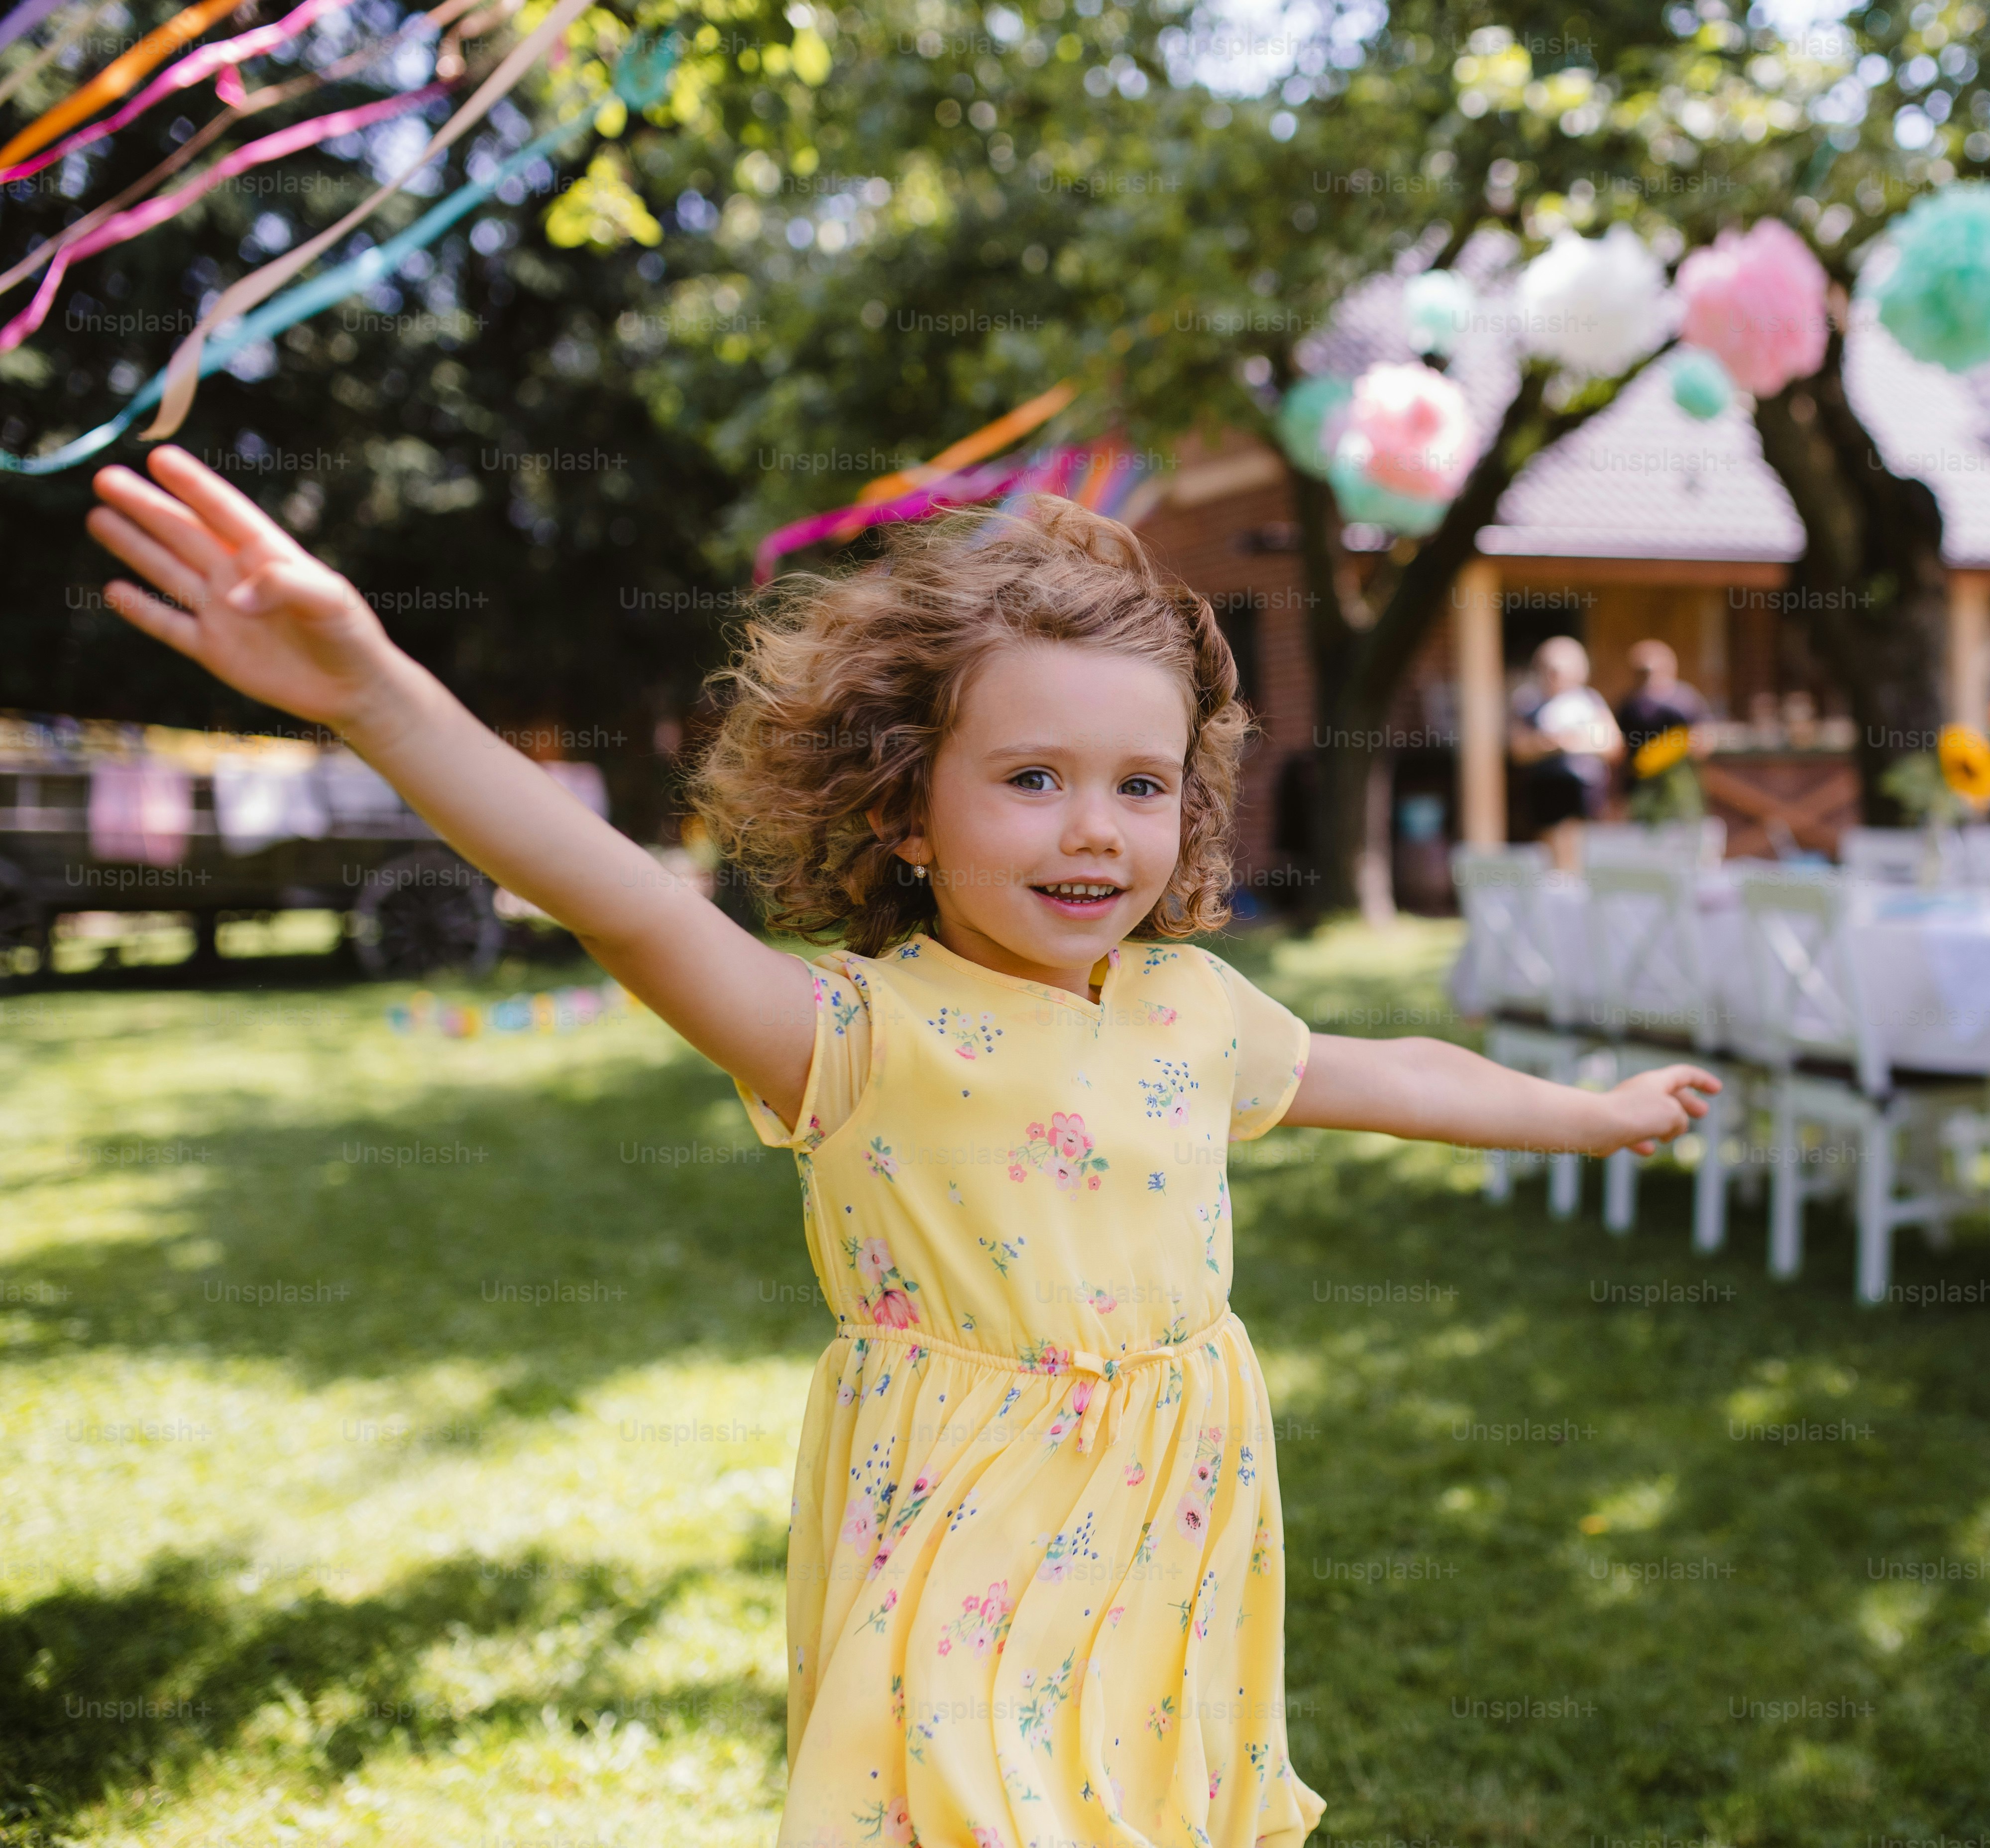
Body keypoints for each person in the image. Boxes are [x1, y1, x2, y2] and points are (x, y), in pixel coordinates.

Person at [83, 448, 1720, 1848]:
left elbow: (1397, 1071)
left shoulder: (1191, 1009)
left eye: (1138, 783)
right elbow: (626, 902)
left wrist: (1589, 1113)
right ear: (900, 808)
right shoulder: (858, 1035)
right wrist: (376, 690)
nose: (1094, 826)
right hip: (963, 1513)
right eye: (1028, 778)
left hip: (1180, 1492)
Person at [1508, 633, 1619, 871]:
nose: (1554, 676)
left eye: (1560, 670)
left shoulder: (1590, 701)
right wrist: (1547, 744)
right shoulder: (1529, 703)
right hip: (1546, 791)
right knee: (1551, 856)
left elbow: (1614, 745)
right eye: (1549, 669)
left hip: (1586, 792)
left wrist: (1577, 742)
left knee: (1582, 852)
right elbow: (1517, 750)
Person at [1613, 638, 1711, 825]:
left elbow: (1704, 743)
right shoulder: (1629, 706)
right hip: (1639, 789)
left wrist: (1667, 753)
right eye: (1640, 673)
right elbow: (1620, 751)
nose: (1646, 678)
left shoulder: (1686, 701)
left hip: (1680, 786)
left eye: (1650, 672)